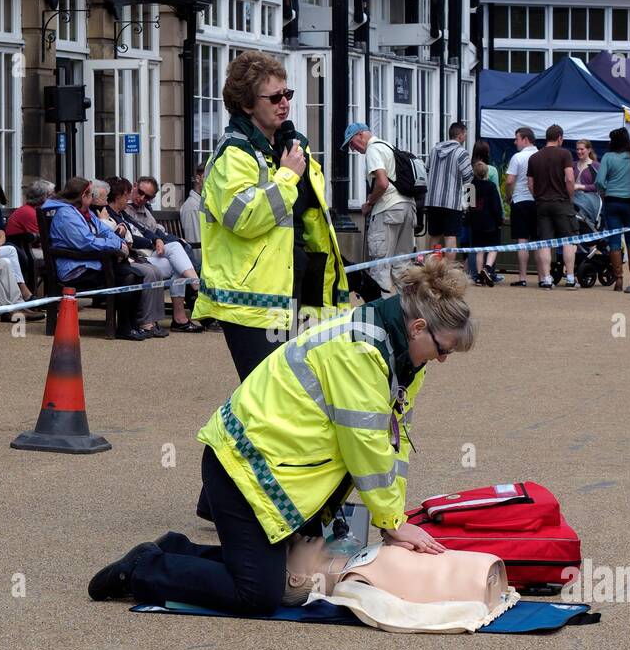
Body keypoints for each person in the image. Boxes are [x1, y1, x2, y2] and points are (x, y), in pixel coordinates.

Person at [87, 256, 475, 613]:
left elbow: (395, 438)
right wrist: (391, 523)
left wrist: (395, 516)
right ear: (419, 327)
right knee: (258, 594)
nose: (442, 359)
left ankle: (175, 550)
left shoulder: (404, 357)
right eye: (444, 350)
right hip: (244, 465)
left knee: (271, 571)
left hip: (274, 466)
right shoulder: (362, 352)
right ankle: (144, 570)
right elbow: (366, 446)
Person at [196, 50, 348, 380]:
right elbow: (244, 218)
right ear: (248, 104)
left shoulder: (289, 147)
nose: (285, 103)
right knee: (265, 398)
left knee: (299, 394)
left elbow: (310, 219)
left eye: (287, 94)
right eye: (275, 96)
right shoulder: (232, 154)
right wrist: (288, 176)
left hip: (299, 290)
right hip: (253, 303)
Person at [41, 177, 146, 340]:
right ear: (83, 196)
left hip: (89, 263)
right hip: (74, 268)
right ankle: (124, 327)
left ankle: (131, 325)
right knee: (129, 276)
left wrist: (117, 241)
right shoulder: (66, 215)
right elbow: (85, 242)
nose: (94, 197)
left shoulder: (85, 212)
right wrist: (116, 245)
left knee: (135, 275)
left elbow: (106, 231)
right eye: (91, 194)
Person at [106, 177, 204, 334]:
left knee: (177, 260)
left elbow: (147, 230)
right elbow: (133, 238)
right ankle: (198, 288)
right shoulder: (116, 212)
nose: (140, 198)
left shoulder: (126, 212)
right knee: (175, 249)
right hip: (136, 257)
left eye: (148, 197)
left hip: (146, 254)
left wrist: (157, 238)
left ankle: (181, 315)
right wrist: (154, 241)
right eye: (138, 193)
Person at [345, 123, 418, 298]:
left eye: (351, 142)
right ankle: (408, 312)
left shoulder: (373, 150)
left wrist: (369, 202)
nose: (352, 148)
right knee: (403, 266)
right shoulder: (389, 147)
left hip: (388, 210)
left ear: (361, 135)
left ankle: (381, 316)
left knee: (381, 267)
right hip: (408, 207)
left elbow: (383, 183)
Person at [595, 127, 630, 292]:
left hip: (612, 201)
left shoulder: (608, 157)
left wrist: (605, 191)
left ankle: (618, 279)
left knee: (614, 241)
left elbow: (599, 181)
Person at [527, 123, 577, 289]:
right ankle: (570, 277)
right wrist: (570, 197)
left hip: (542, 203)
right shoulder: (565, 154)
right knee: (568, 240)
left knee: (544, 242)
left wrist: (538, 197)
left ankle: (547, 278)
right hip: (561, 202)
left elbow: (530, 183)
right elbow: (569, 178)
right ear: (560, 138)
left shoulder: (534, 157)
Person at [425, 122, 473, 256]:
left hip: (432, 199)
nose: (465, 137)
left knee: (434, 235)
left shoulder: (434, 150)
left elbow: (426, 170)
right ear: (460, 135)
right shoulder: (461, 152)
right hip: (451, 201)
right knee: (450, 237)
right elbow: (468, 176)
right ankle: (448, 272)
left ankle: (432, 269)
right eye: (465, 134)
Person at [504, 126, 538, 286]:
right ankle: (543, 277)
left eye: (517, 138)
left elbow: (510, 181)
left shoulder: (517, 157)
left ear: (525, 139)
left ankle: (522, 277)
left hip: (520, 201)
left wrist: (508, 196)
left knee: (522, 240)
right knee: (540, 241)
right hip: (538, 201)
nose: (514, 141)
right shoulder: (540, 155)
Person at [469, 140, 504, 282]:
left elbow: (470, 205)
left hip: (476, 224)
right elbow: (496, 206)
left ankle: (478, 275)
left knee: (479, 250)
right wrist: (499, 219)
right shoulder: (491, 187)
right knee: (493, 247)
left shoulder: (471, 186)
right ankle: (488, 268)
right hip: (490, 224)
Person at [179, 166, 205, 250]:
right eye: (209, 177)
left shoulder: (200, 203)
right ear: (198, 178)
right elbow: (196, 248)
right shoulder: (192, 207)